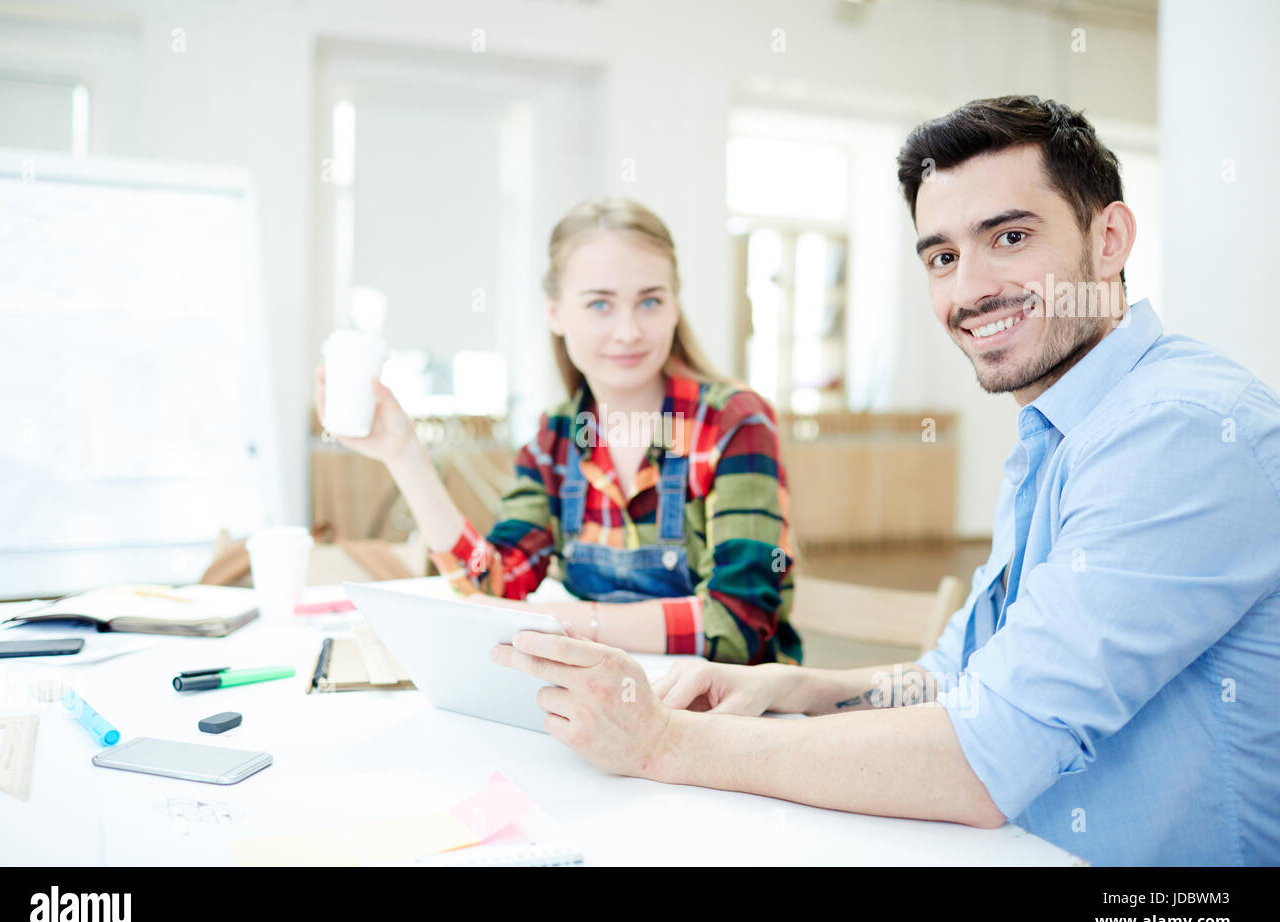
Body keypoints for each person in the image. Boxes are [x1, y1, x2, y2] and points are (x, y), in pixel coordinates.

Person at [492, 96, 1280, 866]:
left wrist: (664, 742)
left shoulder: (1179, 430)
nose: (968, 290)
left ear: (1110, 239)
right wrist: (790, 690)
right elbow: (952, 681)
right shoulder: (1059, 430)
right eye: (942, 256)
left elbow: (987, 752)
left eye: (1008, 236)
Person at [317, 197, 800, 665]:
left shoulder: (734, 421)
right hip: (604, 708)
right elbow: (493, 585)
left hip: (724, 721)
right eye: (599, 305)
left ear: (675, 306)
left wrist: (560, 619)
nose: (629, 330)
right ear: (555, 312)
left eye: (650, 301)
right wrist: (406, 456)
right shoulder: (557, 440)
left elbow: (737, 625)